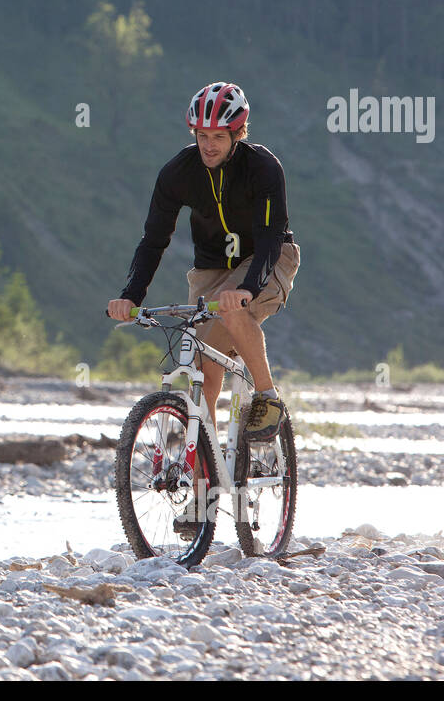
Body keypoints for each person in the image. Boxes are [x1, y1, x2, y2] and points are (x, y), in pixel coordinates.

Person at [107, 82, 300, 445]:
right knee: (203, 371)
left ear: (238, 134)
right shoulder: (177, 172)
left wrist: (246, 289)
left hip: (267, 258)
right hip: (210, 268)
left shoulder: (263, 168)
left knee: (233, 309)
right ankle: (203, 477)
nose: (208, 145)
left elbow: (271, 238)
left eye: (218, 137)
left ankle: (267, 397)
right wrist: (130, 296)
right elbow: (153, 240)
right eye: (201, 135)